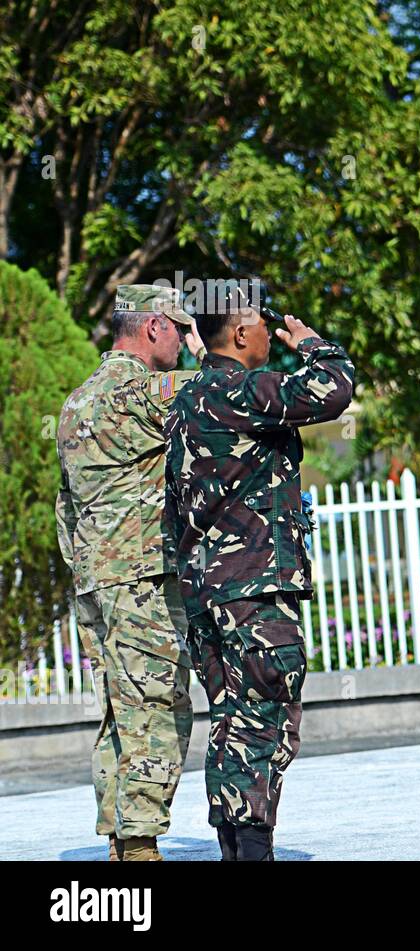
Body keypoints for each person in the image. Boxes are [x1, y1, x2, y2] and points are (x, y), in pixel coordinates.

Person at [164, 292, 354, 860]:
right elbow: (334, 389)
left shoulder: (187, 399)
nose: (272, 337)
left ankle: (235, 845)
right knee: (264, 715)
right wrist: (315, 344)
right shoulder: (237, 392)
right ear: (241, 335)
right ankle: (252, 850)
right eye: (264, 327)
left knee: (231, 716)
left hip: (205, 593)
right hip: (252, 589)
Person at [56, 284, 205, 861]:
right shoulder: (142, 391)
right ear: (153, 328)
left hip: (98, 578)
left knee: (121, 707)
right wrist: (204, 352)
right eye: (178, 327)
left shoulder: (77, 401)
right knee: (158, 705)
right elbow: (224, 393)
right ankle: (140, 848)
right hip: (141, 577)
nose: (183, 337)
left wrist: (85, 571)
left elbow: (65, 507)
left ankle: (122, 838)